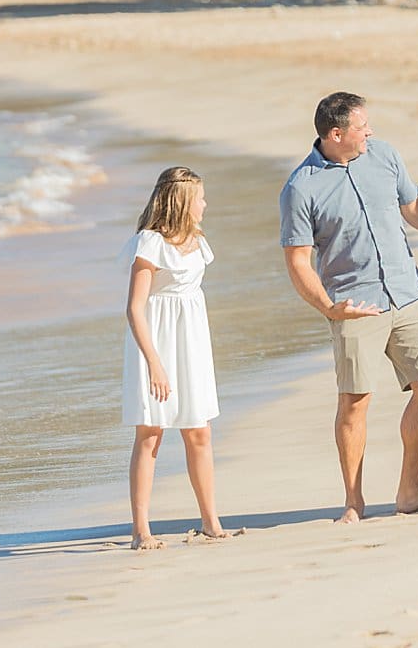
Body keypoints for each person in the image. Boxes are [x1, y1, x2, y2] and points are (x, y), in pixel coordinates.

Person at [280, 92, 418, 524]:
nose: (371, 133)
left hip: (406, 293)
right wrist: (330, 307)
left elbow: (415, 210)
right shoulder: (300, 187)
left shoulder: (383, 156)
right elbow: (297, 261)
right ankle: (353, 501)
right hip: (355, 304)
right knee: (355, 402)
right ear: (336, 134)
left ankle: (411, 489)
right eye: (363, 127)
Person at [121, 167, 232, 550]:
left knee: (199, 431)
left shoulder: (199, 241)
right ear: (182, 200)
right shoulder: (150, 244)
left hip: (192, 341)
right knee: (150, 433)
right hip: (157, 341)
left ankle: (211, 522)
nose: (204, 204)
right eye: (199, 197)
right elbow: (135, 308)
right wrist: (153, 362)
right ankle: (141, 531)